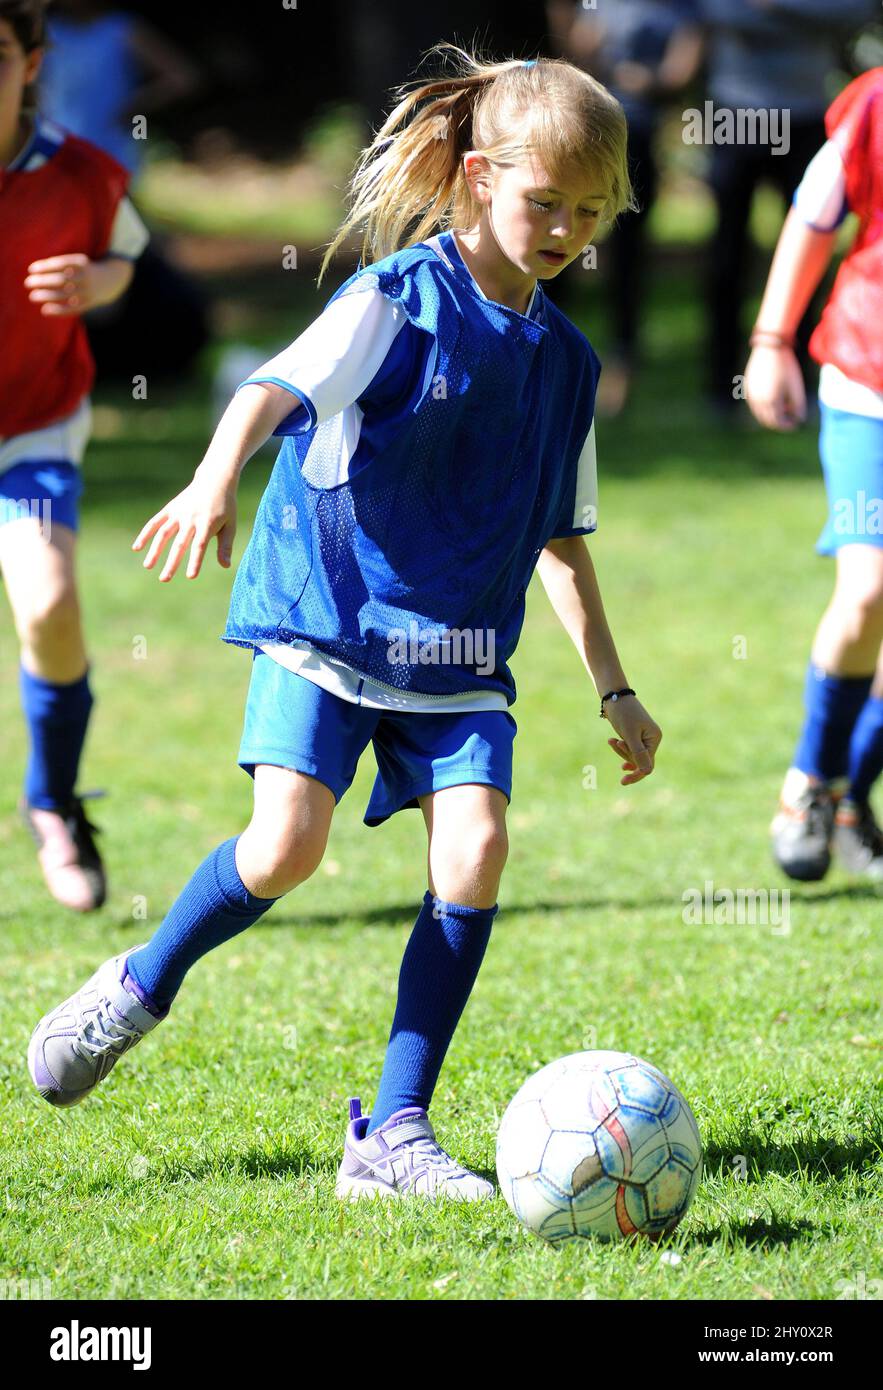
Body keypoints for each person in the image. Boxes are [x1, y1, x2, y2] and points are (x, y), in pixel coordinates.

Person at [28, 47, 662, 1201]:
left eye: (589, 211)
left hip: (460, 649)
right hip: (329, 621)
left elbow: (560, 539)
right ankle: (138, 985)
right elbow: (269, 389)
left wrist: (614, 688)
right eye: (545, 202)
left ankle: (393, 1133)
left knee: (476, 850)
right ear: (477, 178)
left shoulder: (567, 366)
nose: (566, 230)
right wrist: (213, 479)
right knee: (285, 848)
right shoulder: (395, 299)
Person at [0, 0, 149, 911]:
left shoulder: (83, 171)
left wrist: (97, 281)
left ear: (29, 64)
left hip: (33, 428)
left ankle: (53, 800)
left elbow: (125, 257)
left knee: (50, 605)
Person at [744, 67, 883, 881]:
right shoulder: (875, 105)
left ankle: (846, 795)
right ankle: (810, 785)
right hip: (868, 381)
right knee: (867, 590)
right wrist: (771, 342)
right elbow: (810, 217)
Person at [699, 0, 878, 414]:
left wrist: (776, 6)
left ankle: (800, 376)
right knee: (727, 253)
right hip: (735, 112)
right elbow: (714, 11)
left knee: (812, 251)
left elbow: (855, 11)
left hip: (805, 112)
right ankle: (723, 385)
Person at [547, 0, 702, 416]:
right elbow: (576, 52)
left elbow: (679, 74)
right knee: (555, 245)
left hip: (636, 139)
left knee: (628, 257)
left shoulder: (681, 9)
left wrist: (638, 78)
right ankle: (545, 351)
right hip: (578, 134)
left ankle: (621, 366)